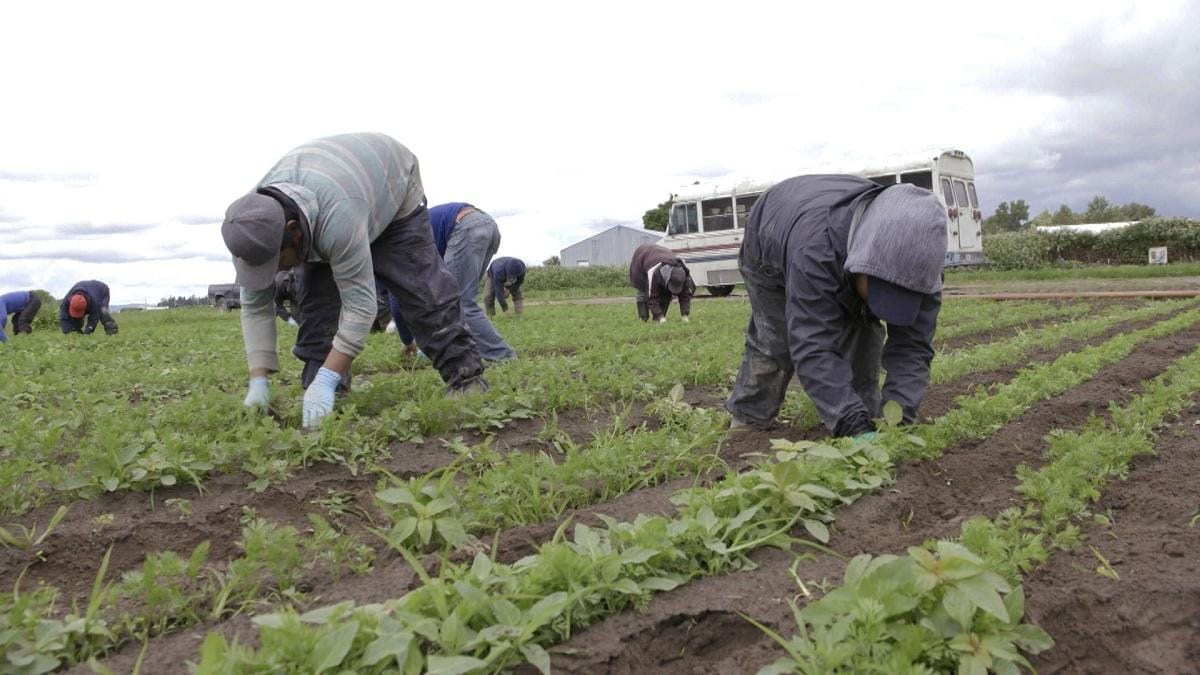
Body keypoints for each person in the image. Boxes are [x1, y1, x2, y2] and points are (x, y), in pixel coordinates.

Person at [220, 132, 486, 428]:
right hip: (330, 195)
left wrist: (327, 377)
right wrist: (258, 381)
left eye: (277, 263)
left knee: (419, 287)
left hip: (390, 188)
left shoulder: (339, 218)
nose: (274, 273)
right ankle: (330, 393)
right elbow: (256, 307)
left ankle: (466, 379)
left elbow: (361, 305)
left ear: (294, 231)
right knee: (318, 303)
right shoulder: (250, 229)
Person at [725, 176, 945, 438]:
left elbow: (913, 348)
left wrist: (900, 418)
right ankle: (749, 418)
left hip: (831, 241)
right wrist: (848, 422)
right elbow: (812, 342)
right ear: (861, 259)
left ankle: (865, 417)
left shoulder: (925, 270)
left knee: (865, 340)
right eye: (882, 291)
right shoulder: (815, 252)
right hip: (771, 237)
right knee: (776, 340)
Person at [393, 202, 516, 361]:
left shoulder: (396, 246)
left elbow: (397, 299)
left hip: (465, 228)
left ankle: (503, 357)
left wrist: (407, 341)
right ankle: (458, 349)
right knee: (456, 300)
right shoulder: (413, 233)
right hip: (487, 225)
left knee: (458, 303)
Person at [629, 243, 695, 323]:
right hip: (641, 259)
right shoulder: (653, 272)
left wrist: (685, 315)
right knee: (643, 293)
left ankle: (658, 319)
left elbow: (685, 295)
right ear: (667, 278)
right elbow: (651, 297)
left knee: (666, 295)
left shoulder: (683, 274)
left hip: (660, 255)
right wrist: (659, 315)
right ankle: (643, 319)